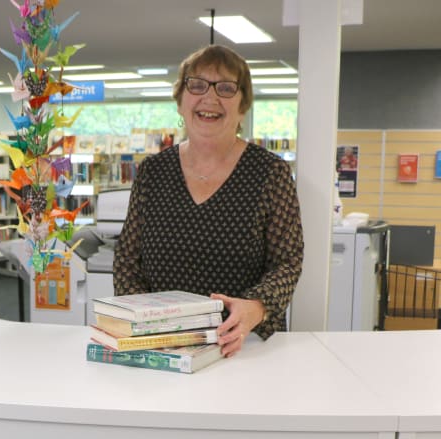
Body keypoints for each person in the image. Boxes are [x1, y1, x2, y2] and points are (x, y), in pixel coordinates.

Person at [112, 45, 304, 357]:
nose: (210, 98)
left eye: (226, 88)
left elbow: (288, 262)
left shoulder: (270, 173)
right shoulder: (153, 172)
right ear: (180, 101)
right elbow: (127, 260)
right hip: (163, 347)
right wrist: (145, 324)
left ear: (243, 107)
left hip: (242, 346)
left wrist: (257, 307)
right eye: (197, 85)